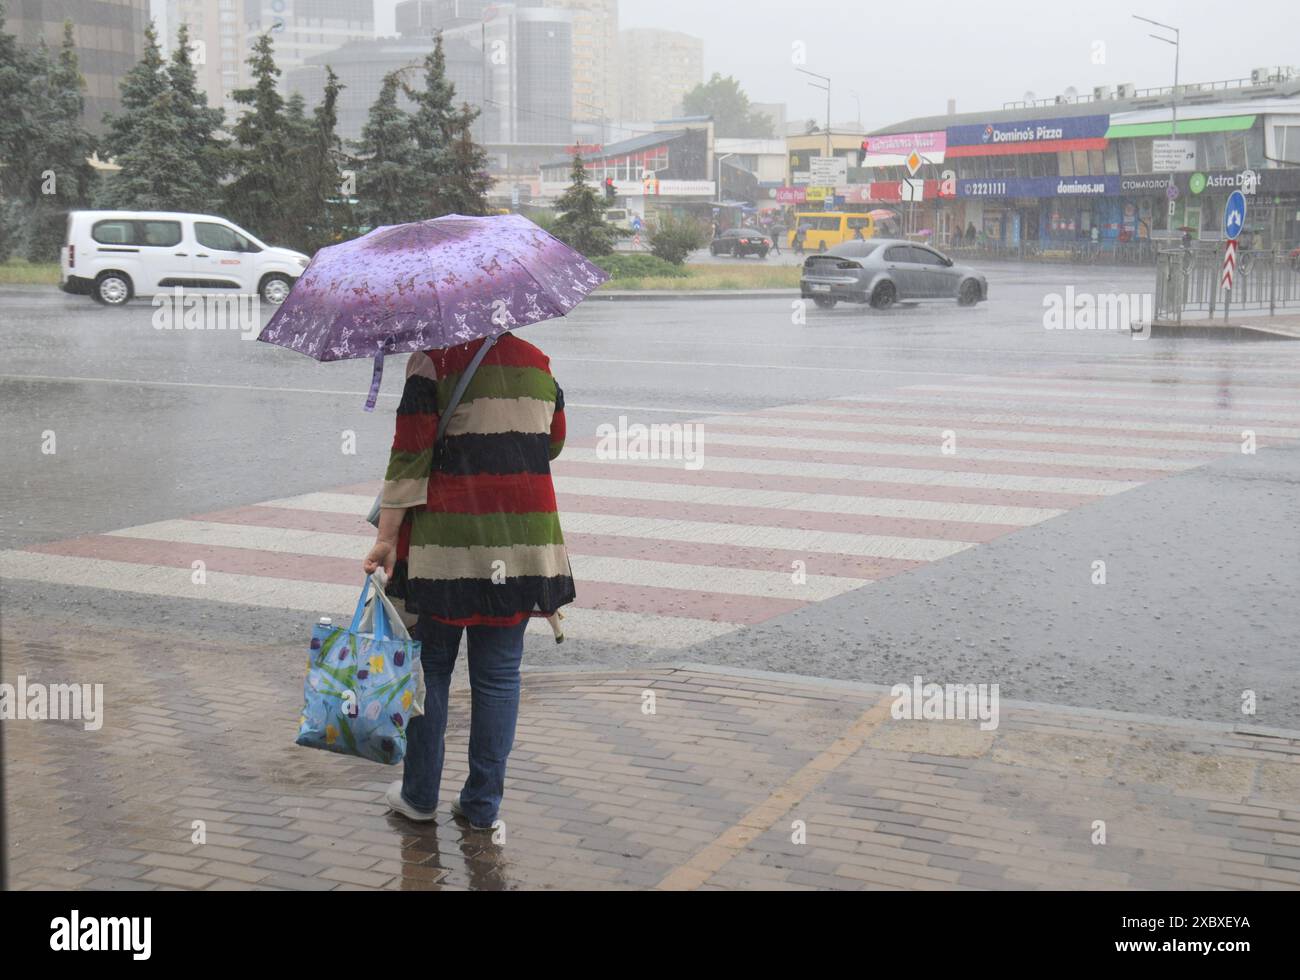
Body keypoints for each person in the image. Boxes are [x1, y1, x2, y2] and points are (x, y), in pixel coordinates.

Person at [365, 333, 574, 830]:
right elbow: (554, 440)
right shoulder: (537, 361)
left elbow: (409, 457)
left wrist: (386, 538)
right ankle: (482, 807)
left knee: (432, 669)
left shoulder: (430, 362)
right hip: (523, 540)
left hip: (446, 545)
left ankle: (418, 795)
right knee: (500, 675)